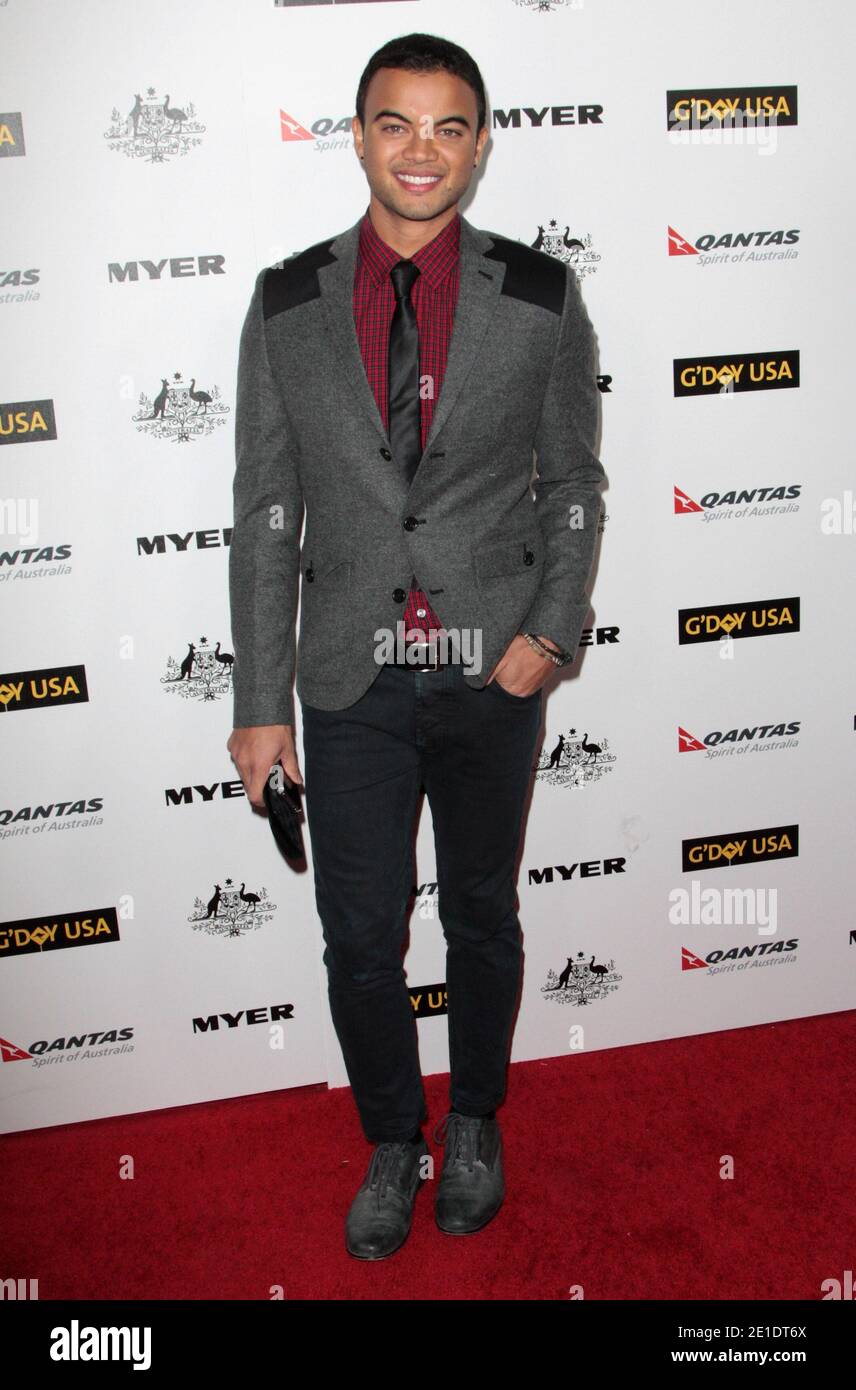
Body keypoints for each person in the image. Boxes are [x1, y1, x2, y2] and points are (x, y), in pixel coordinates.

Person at [227, 31, 605, 1261]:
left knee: (484, 915)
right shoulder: (286, 302)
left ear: (481, 145)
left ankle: (478, 1118)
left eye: (449, 128)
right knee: (358, 933)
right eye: (397, 123)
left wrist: (550, 631)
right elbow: (266, 510)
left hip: (492, 667)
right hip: (349, 672)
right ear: (358, 137)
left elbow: (573, 487)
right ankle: (396, 1136)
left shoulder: (541, 297)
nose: (422, 151)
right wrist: (258, 696)